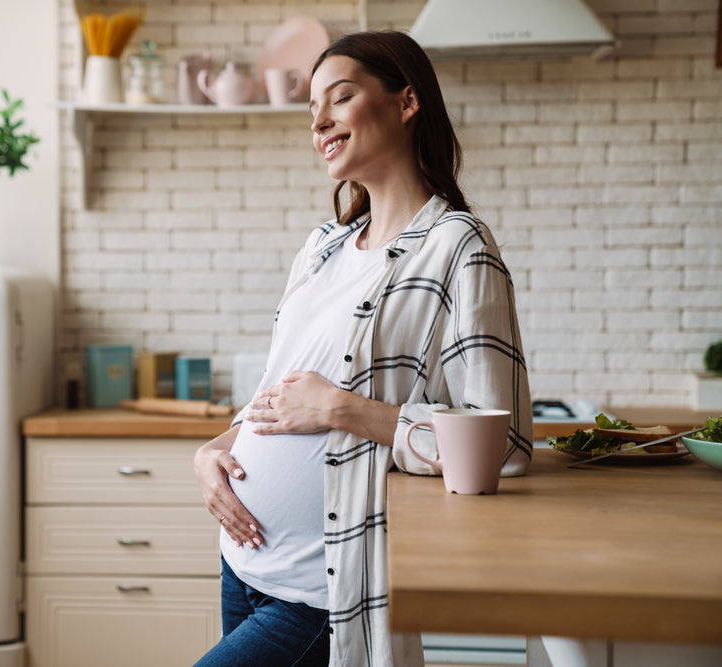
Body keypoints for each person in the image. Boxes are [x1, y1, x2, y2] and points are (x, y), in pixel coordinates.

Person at [193, 30, 532, 667]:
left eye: (340, 98)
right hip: (242, 563)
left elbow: (504, 447)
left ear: (407, 103)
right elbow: (282, 387)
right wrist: (220, 447)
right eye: (311, 108)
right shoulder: (322, 246)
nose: (318, 121)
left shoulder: (459, 248)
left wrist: (342, 411)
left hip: (323, 590)